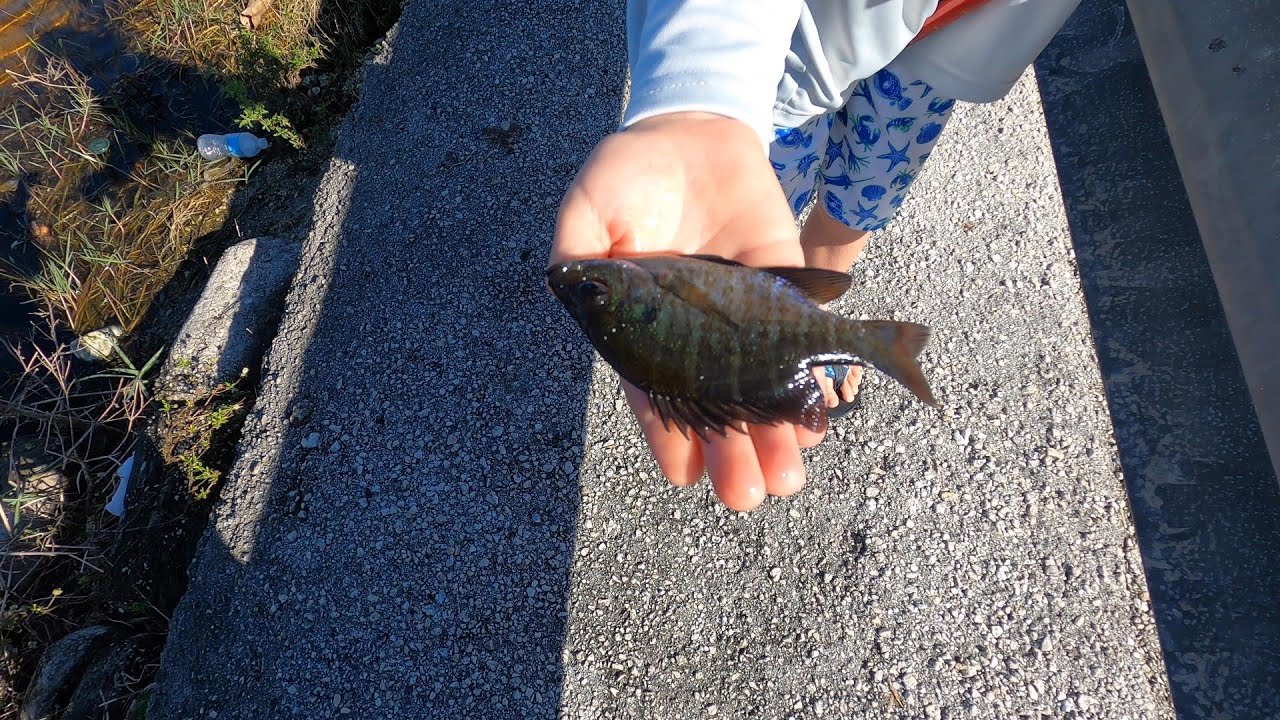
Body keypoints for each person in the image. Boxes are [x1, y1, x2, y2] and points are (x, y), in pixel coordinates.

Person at [548, 0, 1083, 511]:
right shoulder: (655, 286)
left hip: (962, 25)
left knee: (874, 168)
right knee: (767, 180)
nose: (590, 283)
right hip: (795, 39)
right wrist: (697, 102)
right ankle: (819, 315)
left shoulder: (653, 290)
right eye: (593, 292)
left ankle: (820, 302)